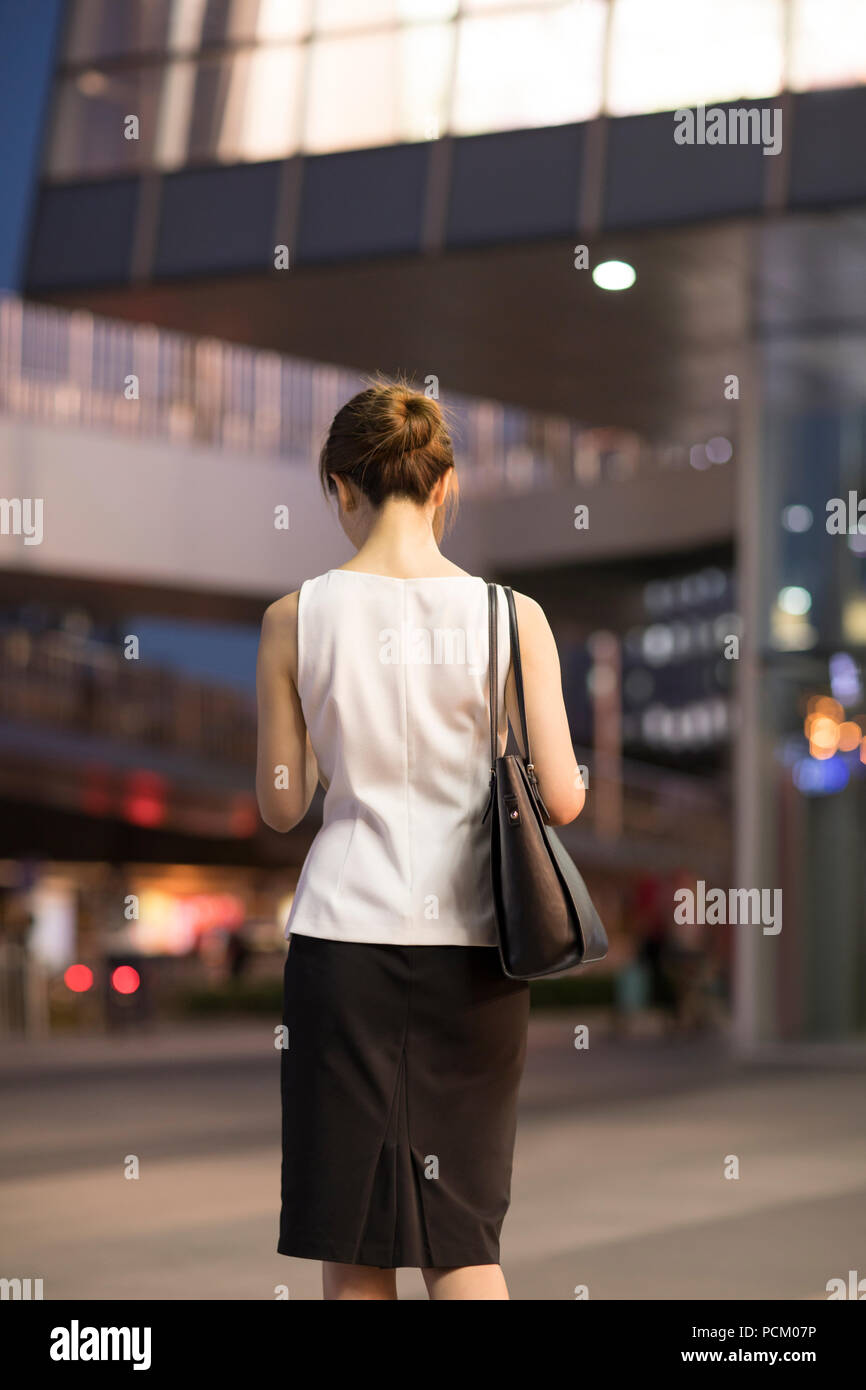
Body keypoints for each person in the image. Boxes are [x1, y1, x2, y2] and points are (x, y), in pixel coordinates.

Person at [255, 381, 585, 1301]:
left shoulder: (294, 617)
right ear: (447, 487)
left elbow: (284, 806)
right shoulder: (512, 617)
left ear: (338, 486)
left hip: (340, 940)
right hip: (479, 948)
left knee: (356, 1238)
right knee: (459, 1236)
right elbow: (560, 796)